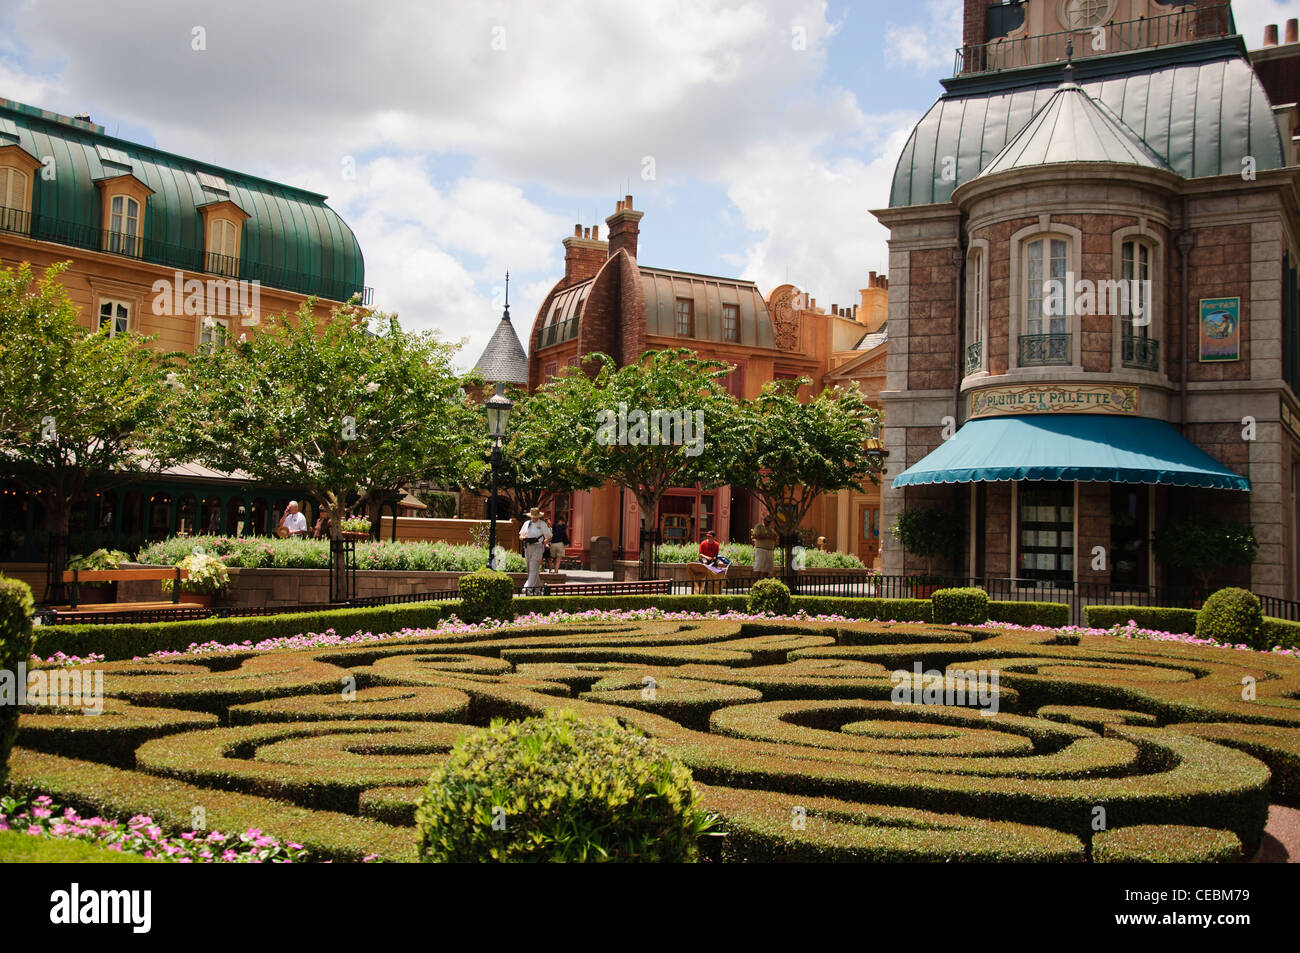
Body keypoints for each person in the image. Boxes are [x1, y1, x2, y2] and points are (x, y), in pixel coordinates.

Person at [518, 506, 552, 591]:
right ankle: (537, 588)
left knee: (533, 567)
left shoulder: (542, 524)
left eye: (535, 517)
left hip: (537, 547)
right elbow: (520, 535)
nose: (534, 518)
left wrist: (545, 542)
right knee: (530, 568)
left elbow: (549, 536)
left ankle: (527, 587)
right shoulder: (527, 523)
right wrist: (524, 538)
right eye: (533, 517)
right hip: (527, 547)